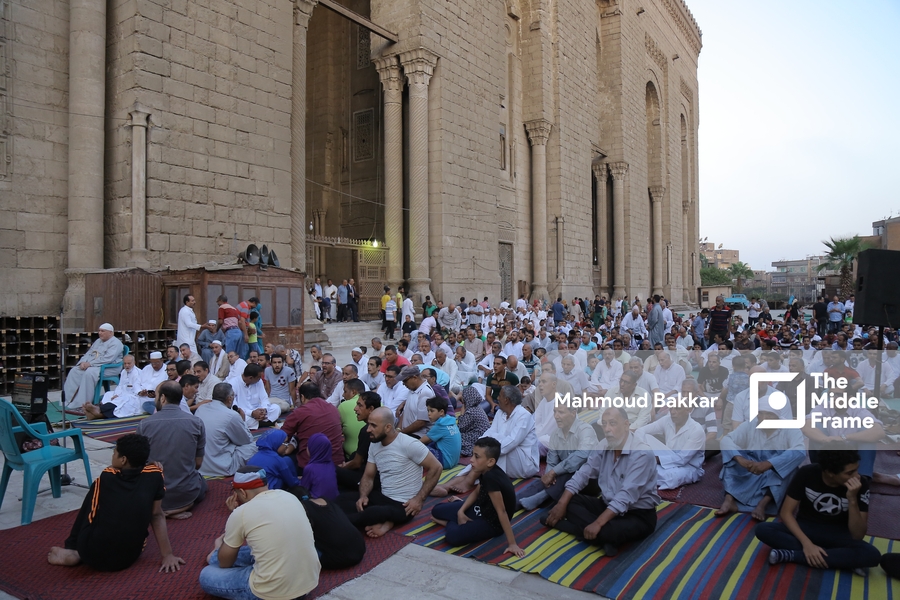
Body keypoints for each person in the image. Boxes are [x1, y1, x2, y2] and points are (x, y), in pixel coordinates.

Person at [48, 434, 184, 573]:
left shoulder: (106, 476)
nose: (112, 456)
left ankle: (73, 549)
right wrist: (167, 555)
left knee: (94, 499)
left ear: (123, 460)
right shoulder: (156, 475)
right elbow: (156, 515)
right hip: (128, 557)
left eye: (114, 453)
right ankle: (77, 552)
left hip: (90, 552)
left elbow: (89, 512)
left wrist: (74, 544)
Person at [542, 407, 660, 556]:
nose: (607, 429)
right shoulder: (604, 445)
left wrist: (598, 523)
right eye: (604, 424)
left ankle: (576, 528)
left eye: (612, 423)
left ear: (626, 424)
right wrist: (561, 504)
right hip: (606, 506)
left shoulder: (642, 453)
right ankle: (601, 537)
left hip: (637, 513)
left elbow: (626, 495)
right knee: (568, 499)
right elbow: (584, 473)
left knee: (611, 531)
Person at [199, 467, 320, 600]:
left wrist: (234, 516)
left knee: (207, 574)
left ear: (242, 493)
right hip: (309, 583)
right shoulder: (289, 496)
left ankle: (217, 553)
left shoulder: (242, 513)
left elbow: (225, 564)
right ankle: (216, 554)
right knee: (251, 551)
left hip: (272, 592)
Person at [755, 448, 881, 573]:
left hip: (838, 535)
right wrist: (807, 544)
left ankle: (792, 555)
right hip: (806, 529)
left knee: (872, 555)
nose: (856, 476)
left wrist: (852, 499)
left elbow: (858, 534)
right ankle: (837, 558)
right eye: (850, 473)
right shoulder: (807, 473)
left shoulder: (861, 484)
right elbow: (786, 513)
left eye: (856, 470)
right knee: (763, 529)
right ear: (830, 473)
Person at [338, 407, 443, 537]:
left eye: (373, 425)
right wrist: (363, 496)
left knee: (369, 514)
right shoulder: (374, 444)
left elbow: (436, 467)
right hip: (382, 496)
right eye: (369, 424)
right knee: (341, 501)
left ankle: (340, 523)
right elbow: (368, 476)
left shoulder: (409, 444)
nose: (368, 429)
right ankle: (384, 521)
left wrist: (419, 500)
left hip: (404, 505)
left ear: (388, 427)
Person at [435, 385, 538, 495]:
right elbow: (489, 433)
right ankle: (450, 484)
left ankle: (468, 482)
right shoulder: (500, 412)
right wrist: (481, 446)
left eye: (500, 396)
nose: (497, 398)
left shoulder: (524, 416)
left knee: (494, 452)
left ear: (506, 400)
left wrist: (490, 444)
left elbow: (511, 443)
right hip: (505, 455)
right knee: (489, 451)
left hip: (525, 463)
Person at [716, 395, 806, 521]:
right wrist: (741, 460)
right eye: (760, 414)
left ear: (777, 416)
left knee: (789, 469)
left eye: (769, 415)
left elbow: (800, 451)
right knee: (731, 460)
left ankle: (762, 504)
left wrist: (769, 464)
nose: (763, 418)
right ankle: (729, 500)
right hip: (751, 467)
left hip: (773, 471)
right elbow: (726, 440)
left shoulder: (790, 428)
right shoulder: (750, 424)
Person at [431, 437, 525, 556]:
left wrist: (512, 544)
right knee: (436, 510)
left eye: (477, 457)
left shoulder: (492, 478)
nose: (471, 460)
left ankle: (450, 523)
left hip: (491, 523)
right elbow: (476, 492)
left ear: (490, 461)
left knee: (452, 537)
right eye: (472, 455)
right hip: (480, 508)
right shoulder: (484, 471)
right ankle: (458, 518)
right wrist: (461, 511)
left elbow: (501, 512)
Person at [136, 381, 207, 519]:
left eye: (156, 396)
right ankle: (181, 507)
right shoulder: (196, 423)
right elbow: (198, 464)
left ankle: (164, 511)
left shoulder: (144, 424)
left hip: (153, 493)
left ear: (163, 398)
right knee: (202, 484)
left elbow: (139, 463)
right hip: (186, 492)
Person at [517, 403, 598, 511]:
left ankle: (542, 496)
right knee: (543, 481)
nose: (556, 416)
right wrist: (549, 476)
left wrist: (553, 473)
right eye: (555, 411)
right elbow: (551, 461)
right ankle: (513, 502)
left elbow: (580, 457)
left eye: (561, 412)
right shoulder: (555, 434)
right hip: (563, 477)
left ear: (573, 413)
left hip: (590, 480)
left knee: (572, 470)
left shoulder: (585, 430)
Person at [635, 399, 705, 490]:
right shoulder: (666, 420)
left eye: (677, 408)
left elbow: (682, 459)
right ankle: (642, 469)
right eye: (671, 408)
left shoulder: (696, 430)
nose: (672, 412)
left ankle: (640, 472)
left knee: (672, 477)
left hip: (688, 466)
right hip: (667, 456)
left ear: (688, 410)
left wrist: (656, 459)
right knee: (646, 437)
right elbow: (640, 431)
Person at [195, 382, 257, 477]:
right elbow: (246, 440)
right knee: (255, 446)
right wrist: (242, 421)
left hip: (200, 465)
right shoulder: (232, 415)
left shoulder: (200, 409)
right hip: (222, 467)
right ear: (230, 398)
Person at [279, 381, 345, 469]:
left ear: (302, 397)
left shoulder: (300, 412)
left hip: (310, 465)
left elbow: (281, 438)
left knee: (281, 459)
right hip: (337, 464)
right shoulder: (333, 409)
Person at [63, 323, 124, 408]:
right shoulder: (98, 341)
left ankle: (84, 403)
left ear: (110, 332)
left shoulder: (116, 343)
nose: (99, 333)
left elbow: (108, 359)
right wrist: (83, 362)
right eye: (99, 331)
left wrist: (90, 364)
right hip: (95, 365)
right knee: (75, 371)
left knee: (89, 373)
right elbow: (89, 353)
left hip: (110, 367)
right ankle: (69, 400)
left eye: (102, 331)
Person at [337, 391, 382, 490]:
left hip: (373, 479)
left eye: (359, 405)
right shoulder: (380, 426)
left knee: (333, 470)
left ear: (370, 409)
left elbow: (357, 463)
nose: (355, 409)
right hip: (375, 474)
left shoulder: (368, 431)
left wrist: (342, 467)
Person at [84, 354, 143, 420]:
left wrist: (120, 395)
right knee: (108, 394)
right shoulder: (123, 372)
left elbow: (135, 391)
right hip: (123, 393)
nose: (126, 365)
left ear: (134, 362)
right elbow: (120, 386)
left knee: (120, 400)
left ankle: (98, 410)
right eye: (125, 363)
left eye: (129, 363)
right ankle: (96, 412)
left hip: (132, 397)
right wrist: (116, 394)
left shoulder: (138, 373)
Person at [246, 429, 302, 494]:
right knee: (287, 461)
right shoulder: (277, 460)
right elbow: (292, 483)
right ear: (276, 443)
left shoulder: (254, 456)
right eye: (285, 443)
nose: (287, 446)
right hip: (269, 493)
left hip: (252, 492)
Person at [230, 363, 281, 430]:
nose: (260, 379)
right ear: (251, 378)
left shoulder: (258, 381)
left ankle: (259, 423)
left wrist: (264, 410)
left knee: (276, 408)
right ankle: (265, 423)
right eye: (259, 377)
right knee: (238, 418)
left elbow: (264, 398)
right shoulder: (233, 383)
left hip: (259, 410)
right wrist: (252, 413)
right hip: (245, 413)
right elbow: (234, 407)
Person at [417, 396, 461, 469]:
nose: (429, 414)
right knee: (432, 443)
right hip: (454, 461)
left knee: (417, 448)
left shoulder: (441, 425)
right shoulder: (449, 421)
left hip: (445, 462)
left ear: (441, 412)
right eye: (428, 411)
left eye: (432, 411)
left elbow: (421, 441)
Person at [395, 365, 435, 437]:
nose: (403, 384)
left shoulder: (425, 393)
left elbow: (421, 422)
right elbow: (406, 412)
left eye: (405, 381)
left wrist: (401, 433)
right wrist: (398, 429)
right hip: (407, 433)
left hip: (418, 436)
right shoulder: (412, 389)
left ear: (414, 378)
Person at [457, 386, 491, 457]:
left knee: (454, 436)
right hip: (484, 435)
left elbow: (460, 428)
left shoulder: (470, 412)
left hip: (478, 437)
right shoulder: (477, 407)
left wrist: (462, 413)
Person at [339, 378, 368, 456]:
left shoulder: (344, 405)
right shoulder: (379, 403)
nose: (343, 395)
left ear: (353, 392)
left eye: (345, 391)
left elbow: (336, 430)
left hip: (351, 456)